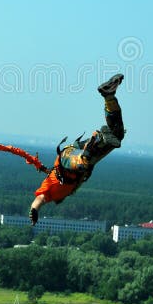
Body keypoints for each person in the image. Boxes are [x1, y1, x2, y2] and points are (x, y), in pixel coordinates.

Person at [29, 73, 125, 225]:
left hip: (67, 159)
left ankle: (96, 140)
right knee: (117, 135)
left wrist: (34, 210)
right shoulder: (67, 190)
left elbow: (38, 199)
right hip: (82, 163)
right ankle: (109, 96)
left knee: (83, 161)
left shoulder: (49, 192)